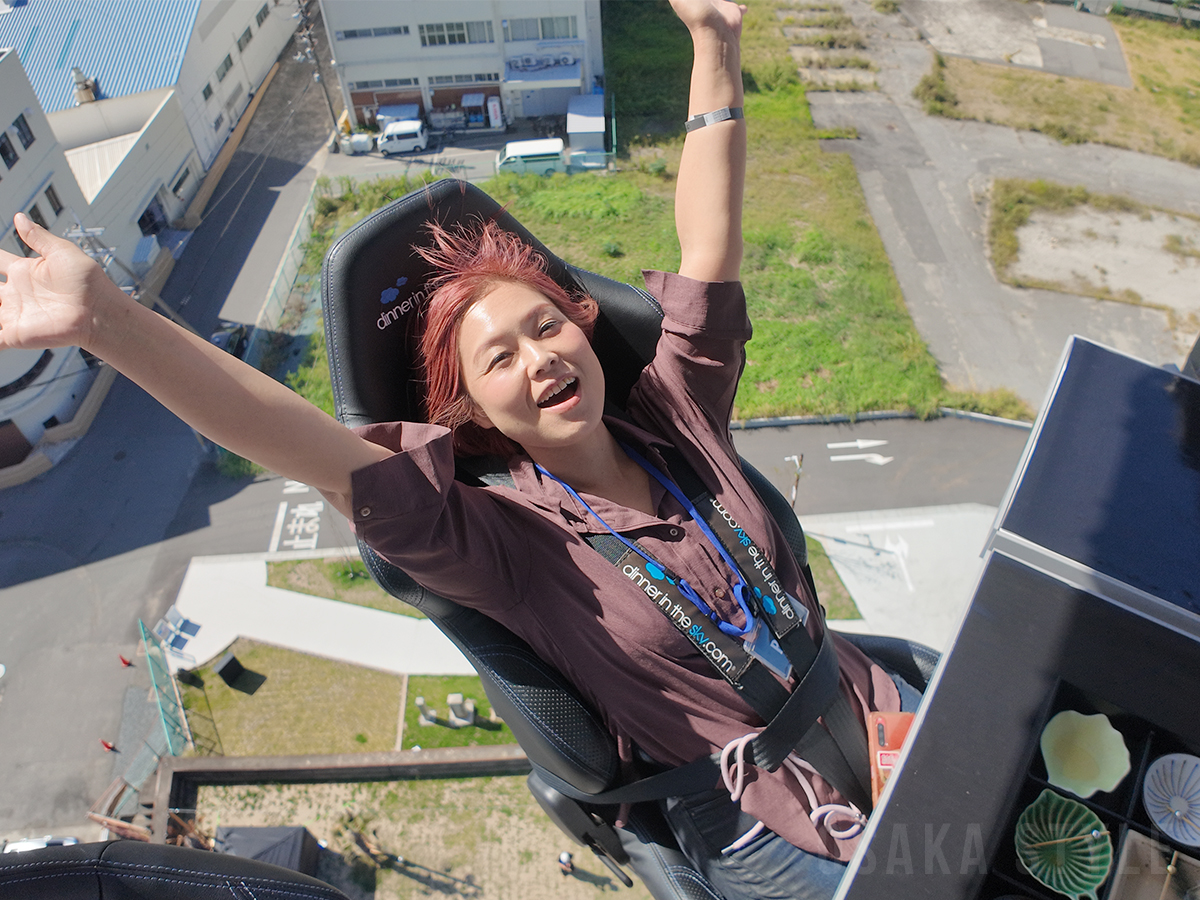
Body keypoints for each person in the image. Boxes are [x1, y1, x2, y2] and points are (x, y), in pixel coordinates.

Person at [0, 2, 917, 897]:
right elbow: (298, 441)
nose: (541, 358)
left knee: (1005, 784)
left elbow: (709, 248)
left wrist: (714, 40)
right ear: (469, 409)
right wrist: (106, 322)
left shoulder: (675, 410)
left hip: (867, 704)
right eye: (499, 358)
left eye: (547, 326)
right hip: (757, 820)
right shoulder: (497, 542)